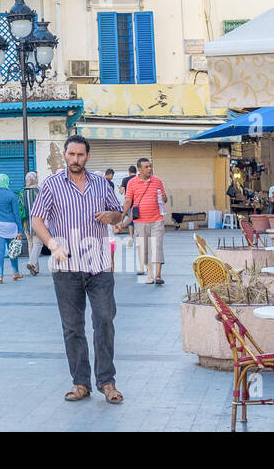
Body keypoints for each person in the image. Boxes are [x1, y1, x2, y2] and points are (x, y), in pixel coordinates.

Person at [31, 135, 125, 405]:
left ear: (88, 156)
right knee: (73, 328)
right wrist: (52, 244)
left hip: (99, 266)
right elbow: (37, 219)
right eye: (71, 155)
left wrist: (112, 217)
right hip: (66, 266)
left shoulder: (101, 184)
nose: (75, 159)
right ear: (64, 154)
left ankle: (107, 381)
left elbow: (119, 213)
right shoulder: (51, 185)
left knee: (104, 321)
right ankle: (81, 382)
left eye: (80, 155)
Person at [122, 157, 167, 285]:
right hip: (140, 221)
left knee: (157, 245)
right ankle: (150, 275)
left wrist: (164, 198)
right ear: (139, 169)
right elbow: (128, 201)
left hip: (157, 219)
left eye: (150, 166)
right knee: (145, 248)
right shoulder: (132, 183)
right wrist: (122, 216)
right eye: (146, 167)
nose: (149, 169)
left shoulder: (157, 181)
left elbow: (164, 199)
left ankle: (158, 275)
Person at [0, 173, 25, 283]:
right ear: (6, 182)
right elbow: (16, 214)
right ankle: (15, 273)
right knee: (12, 250)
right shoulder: (11, 195)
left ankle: (0, 276)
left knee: (0, 250)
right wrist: (20, 230)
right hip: (10, 226)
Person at [22, 172, 42, 275]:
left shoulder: (22, 193)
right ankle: (31, 263)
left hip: (26, 224)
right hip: (37, 223)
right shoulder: (38, 191)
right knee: (38, 244)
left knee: (31, 244)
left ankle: (35, 268)